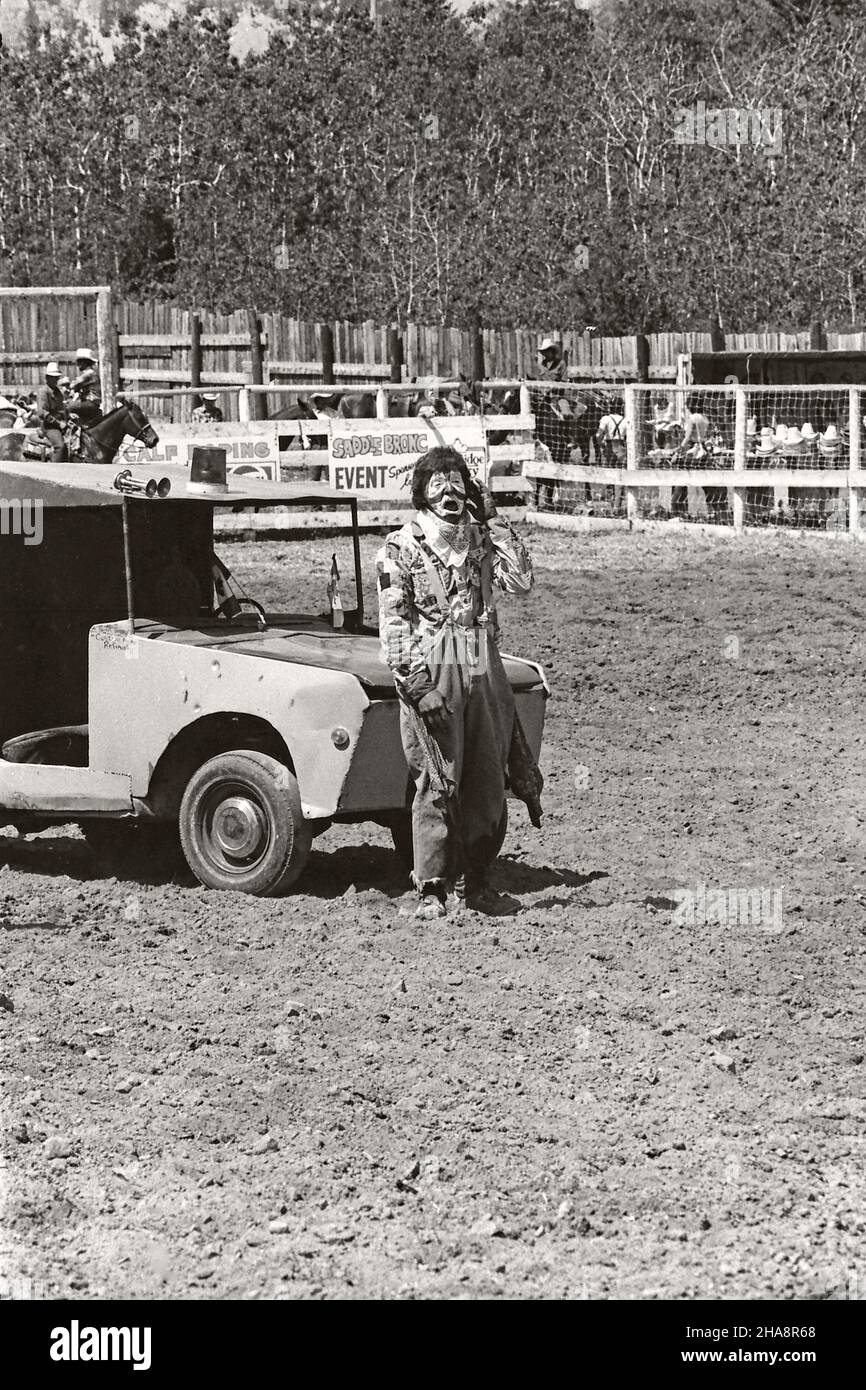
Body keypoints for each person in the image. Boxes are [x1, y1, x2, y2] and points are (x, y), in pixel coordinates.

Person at [376, 447, 542, 919]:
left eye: (458, 484)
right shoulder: (400, 546)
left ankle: (479, 881)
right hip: (437, 667)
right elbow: (394, 624)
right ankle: (432, 887)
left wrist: (495, 519)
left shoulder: (482, 539)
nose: (449, 494)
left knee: (487, 777)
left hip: (483, 663)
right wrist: (419, 685)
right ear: (421, 492)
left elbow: (524, 581)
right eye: (438, 484)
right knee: (437, 778)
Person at [33, 362, 68, 460]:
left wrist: (68, 417)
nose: (55, 380)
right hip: (49, 427)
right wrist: (58, 423)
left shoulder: (58, 392)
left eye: (56, 377)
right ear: (47, 378)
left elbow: (62, 409)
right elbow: (42, 413)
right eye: (53, 377)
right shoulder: (43, 392)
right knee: (60, 446)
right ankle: (54, 470)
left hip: (62, 424)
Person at [67, 347, 103, 429]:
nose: (77, 364)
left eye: (80, 361)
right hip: (90, 403)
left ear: (86, 362)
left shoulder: (89, 373)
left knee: (67, 408)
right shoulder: (90, 374)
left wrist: (68, 387)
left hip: (91, 402)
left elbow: (74, 384)